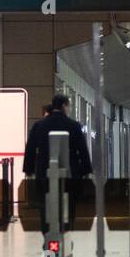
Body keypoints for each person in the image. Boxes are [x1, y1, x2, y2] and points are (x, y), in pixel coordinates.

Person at [22, 94, 93, 234]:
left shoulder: (39, 125)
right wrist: (86, 170)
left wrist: (28, 169)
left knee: (46, 205)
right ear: (64, 106)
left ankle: (47, 235)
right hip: (70, 174)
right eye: (69, 106)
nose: (69, 109)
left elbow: (30, 149)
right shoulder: (74, 125)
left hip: (44, 173)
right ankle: (65, 231)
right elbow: (82, 150)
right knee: (68, 204)